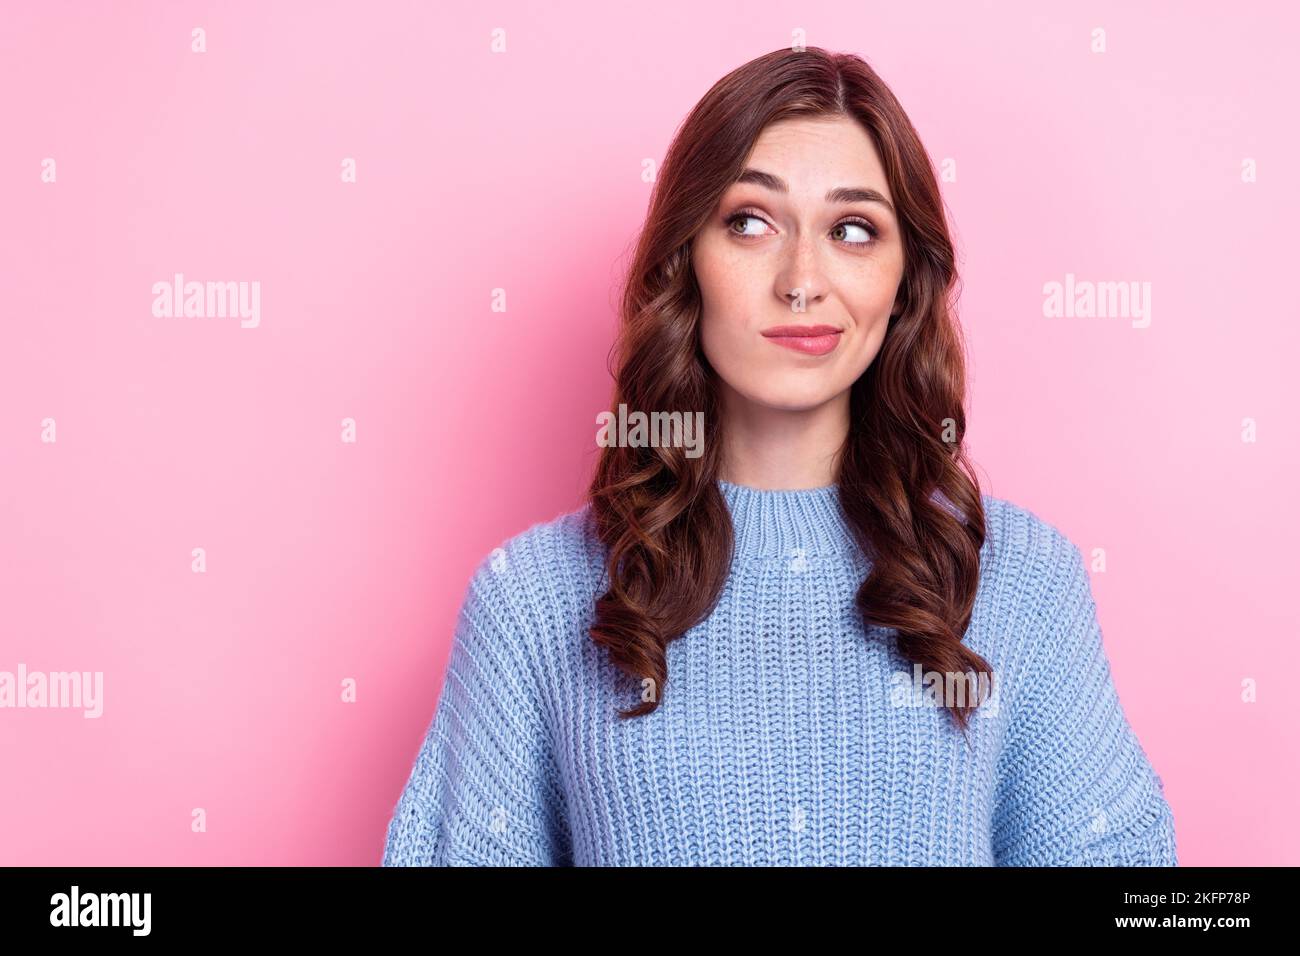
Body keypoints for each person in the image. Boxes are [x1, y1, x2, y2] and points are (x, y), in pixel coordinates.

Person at [381, 45, 1176, 866]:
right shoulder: (534, 603)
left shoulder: (1021, 581)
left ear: (905, 281)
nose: (802, 281)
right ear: (684, 256)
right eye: (751, 222)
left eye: (853, 229)